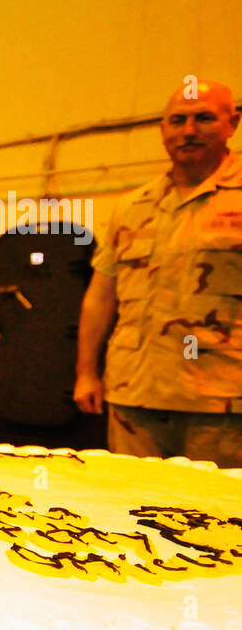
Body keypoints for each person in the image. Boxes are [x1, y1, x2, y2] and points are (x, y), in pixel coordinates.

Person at [74, 80, 242, 467]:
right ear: (163, 130)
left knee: (214, 516)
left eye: (203, 118)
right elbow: (100, 297)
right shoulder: (132, 207)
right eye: (177, 121)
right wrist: (87, 373)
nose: (188, 131)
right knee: (132, 511)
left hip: (220, 403)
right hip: (134, 398)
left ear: (231, 124)